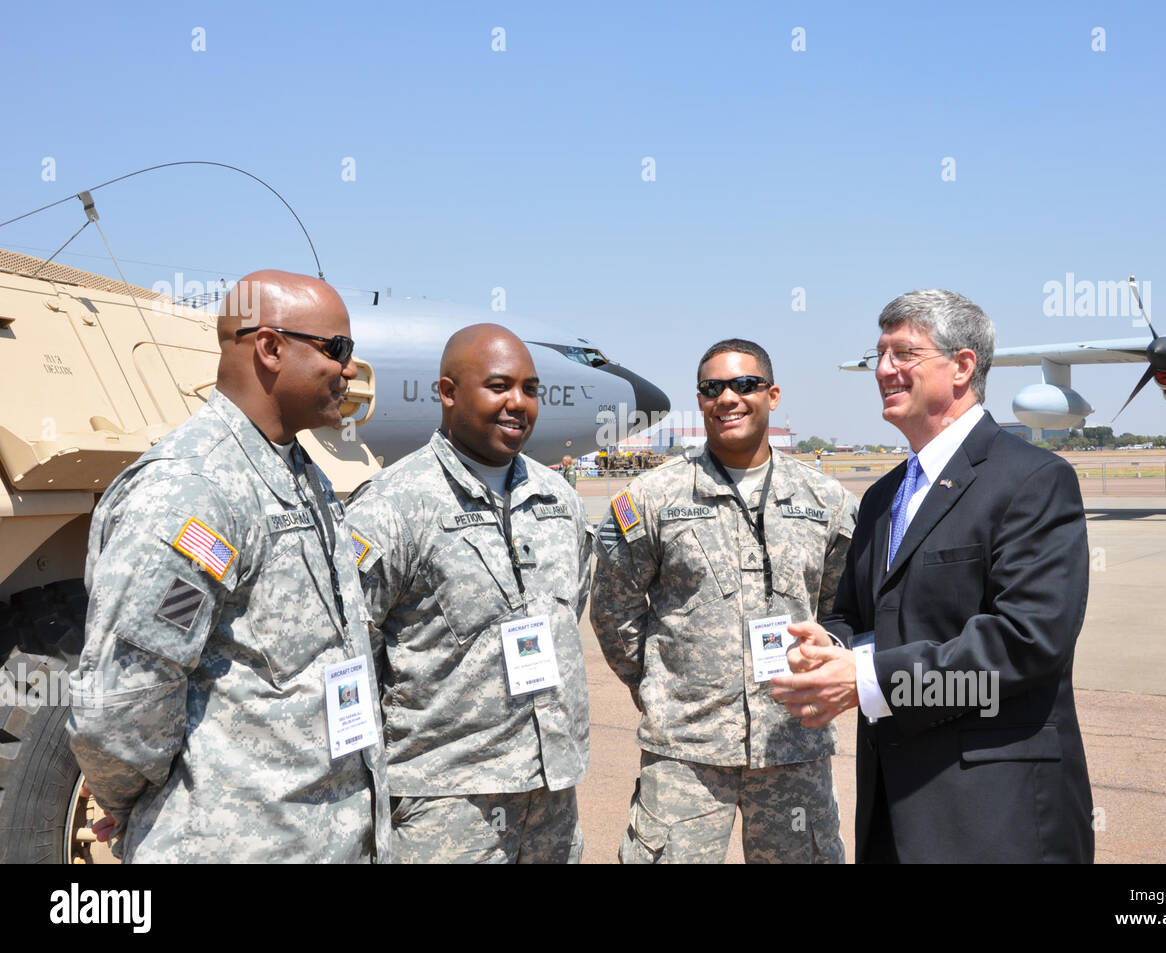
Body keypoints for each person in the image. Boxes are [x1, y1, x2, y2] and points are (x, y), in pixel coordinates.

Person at [67, 271, 390, 863]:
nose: (348, 370)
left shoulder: (299, 472)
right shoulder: (194, 489)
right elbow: (121, 701)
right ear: (269, 348)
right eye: (336, 350)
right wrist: (126, 799)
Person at [771, 289, 1094, 863]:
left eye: (903, 354)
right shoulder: (881, 497)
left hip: (995, 813)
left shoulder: (1033, 480)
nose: (882, 370)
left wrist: (869, 680)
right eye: (879, 354)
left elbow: (1026, 642)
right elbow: (855, 615)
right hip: (893, 808)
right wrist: (830, 646)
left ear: (963, 366)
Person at [591, 338, 856, 863]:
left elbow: (839, 609)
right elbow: (614, 608)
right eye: (713, 388)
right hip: (685, 752)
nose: (728, 398)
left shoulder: (826, 502)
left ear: (772, 394)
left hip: (792, 745)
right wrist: (662, 685)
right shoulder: (652, 497)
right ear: (701, 400)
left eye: (745, 384)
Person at [346, 324, 591, 864]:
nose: (517, 403)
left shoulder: (558, 499)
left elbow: (571, 608)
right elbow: (347, 657)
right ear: (449, 393)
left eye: (530, 389)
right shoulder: (393, 506)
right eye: (499, 386)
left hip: (551, 790)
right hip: (444, 802)